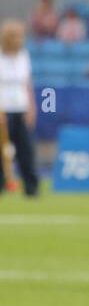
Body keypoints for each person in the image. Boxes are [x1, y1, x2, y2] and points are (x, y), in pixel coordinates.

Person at [0, 20, 39, 196]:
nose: (20, 40)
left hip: (20, 109)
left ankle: (31, 187)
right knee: (2, 151)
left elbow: (27, 83)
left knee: (25, 150)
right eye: (17, 36)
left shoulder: (24, 56)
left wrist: (32, 108)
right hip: (2, 110)